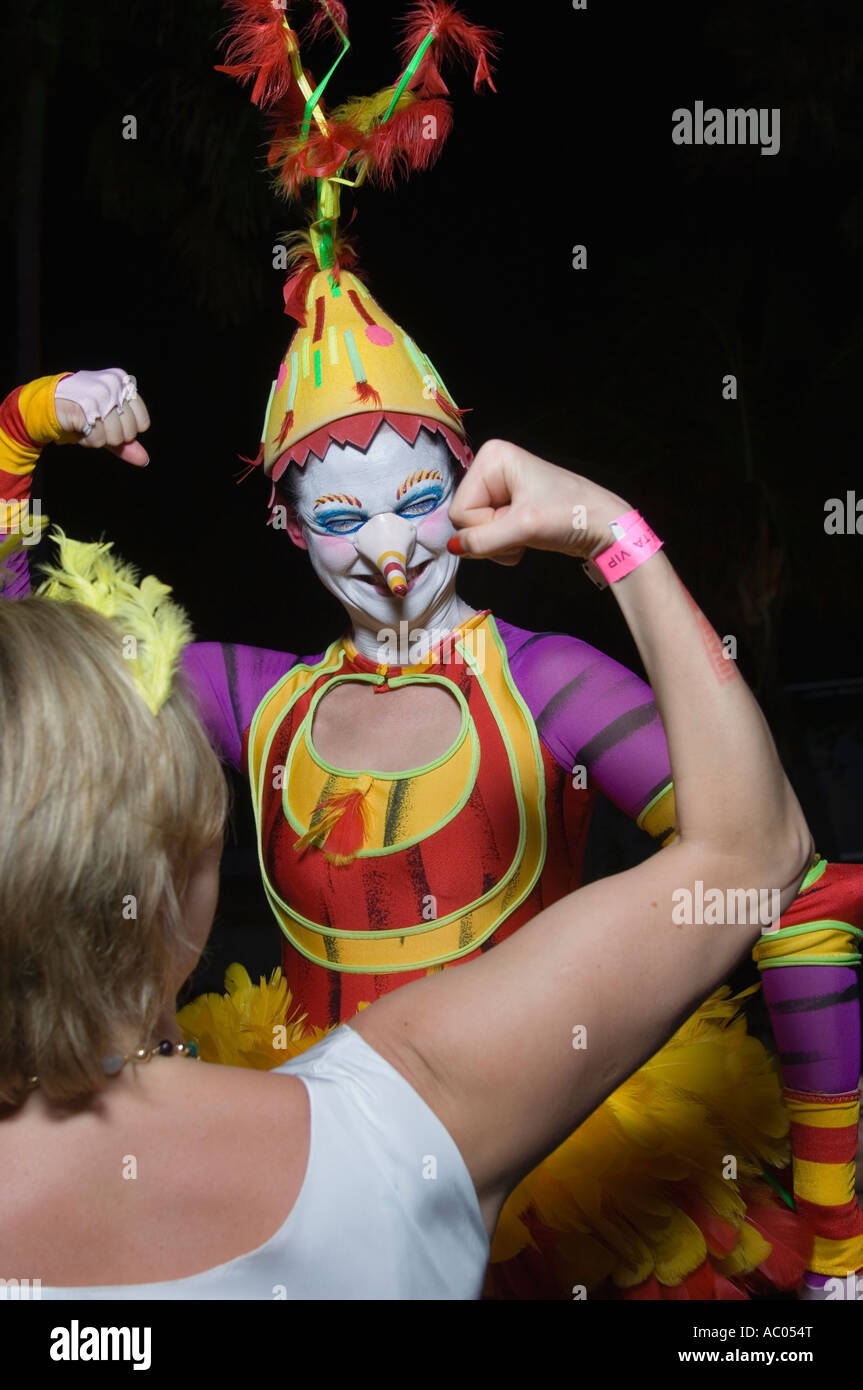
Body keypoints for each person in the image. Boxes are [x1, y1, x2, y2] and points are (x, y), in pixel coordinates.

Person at [0, 394, 814, 1298]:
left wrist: (17, 438)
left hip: (573, 1159)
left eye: (417, 500)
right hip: (439, 1107)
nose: (389, 555)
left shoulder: (540, 678)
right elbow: (752, 850)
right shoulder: (384, 1123)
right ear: (291, 524)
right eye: (342, 517)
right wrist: (610, 534)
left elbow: (42, 723)